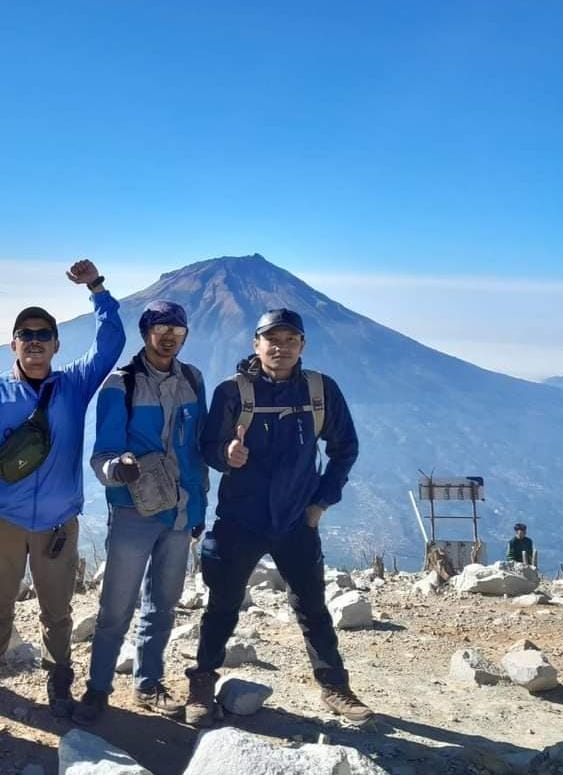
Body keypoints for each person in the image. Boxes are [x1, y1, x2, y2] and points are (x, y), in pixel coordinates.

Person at [185, 308, 372, 727]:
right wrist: (226, 456)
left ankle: (334, 686)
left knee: (311, 607)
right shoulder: (233, 392)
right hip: (240, 519)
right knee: (222, 606)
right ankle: (201, 681)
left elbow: (345, 448)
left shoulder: (320, 391)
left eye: (290, 340)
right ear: (256, 344)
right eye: (273, 339)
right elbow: (209, 447)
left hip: (295, 521)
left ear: (302, 346)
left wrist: (320, 504)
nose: (281, 347)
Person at [0, 259, 125, 717]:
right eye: (25, 334)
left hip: (56, 522)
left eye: (42, 335)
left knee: (57, 606)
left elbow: (112, 343)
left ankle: (59, 672)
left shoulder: (73, 385)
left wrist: (96, 288)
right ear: (13, 343)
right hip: (2, 520)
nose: (34, 341)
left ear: (55, 344)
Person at [72, 300, 210, 725]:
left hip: (182, 513)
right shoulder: (121, 385)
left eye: (178, 329)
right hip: (135, 511)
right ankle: (98, 689)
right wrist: (119, 470)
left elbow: (198, 450)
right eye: (161, 328)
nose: (169, 336)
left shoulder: (192, 379)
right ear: (146, 332)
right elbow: (102, 457)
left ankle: (148, 683)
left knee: (163, 604)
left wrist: (200, 507)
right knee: (117, 607)